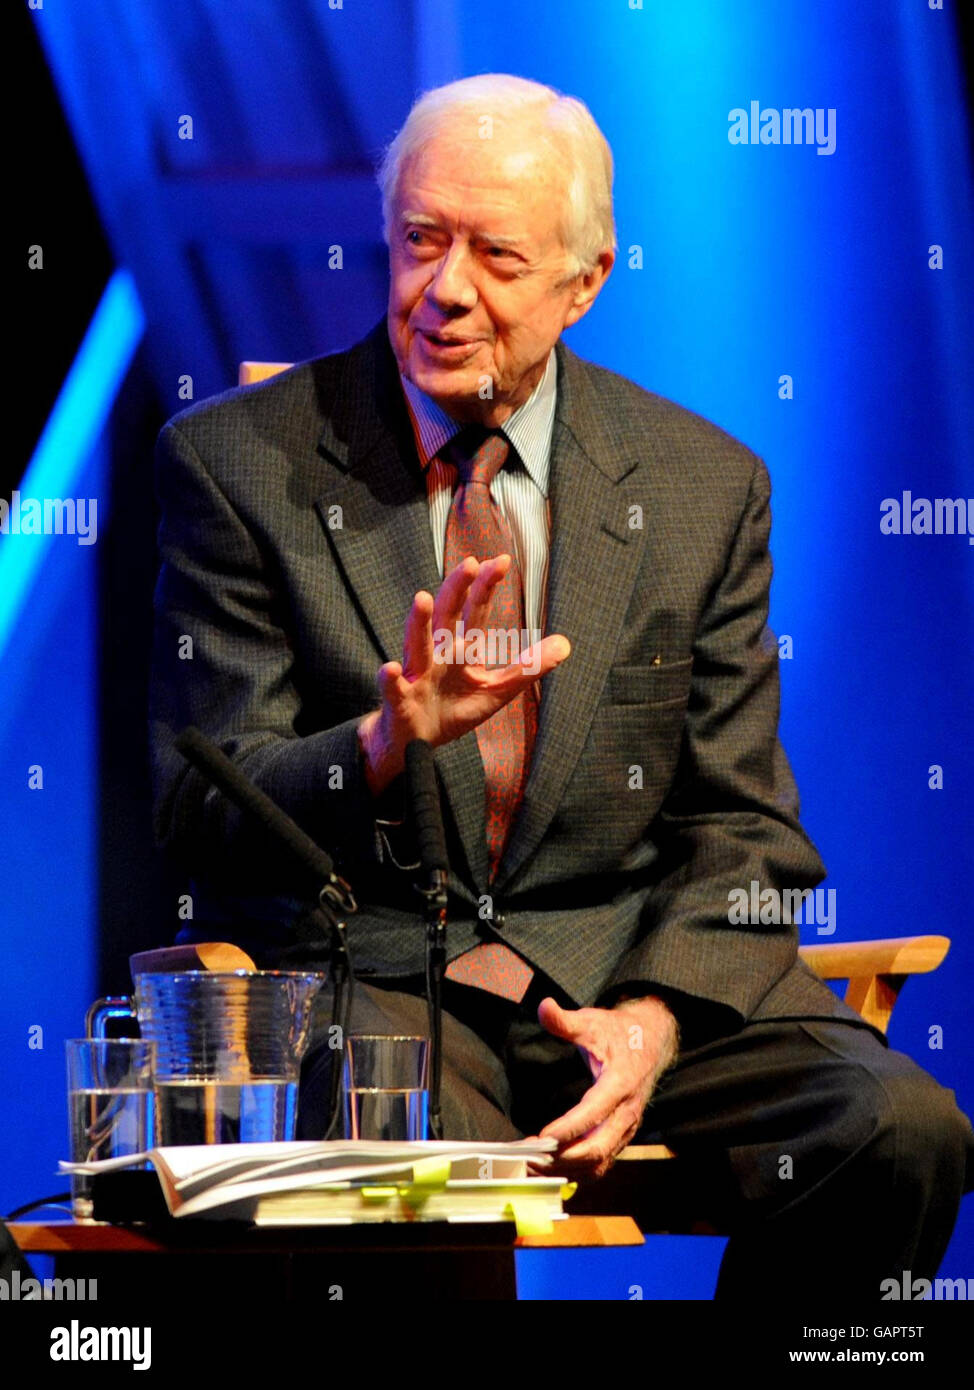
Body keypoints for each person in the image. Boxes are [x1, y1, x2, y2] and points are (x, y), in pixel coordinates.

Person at [149, 73, 973, 1298]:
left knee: (895, 1128)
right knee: (416, 1149)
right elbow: (193, 809)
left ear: (583, 283)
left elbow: (741, 831)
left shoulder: (702, 488)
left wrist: (653, 1016)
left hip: (618, 979)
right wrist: (379, 742)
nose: (444, 290)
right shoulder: (236, 465)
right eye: (420, 240)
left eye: (494, 253)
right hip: (384, 986)